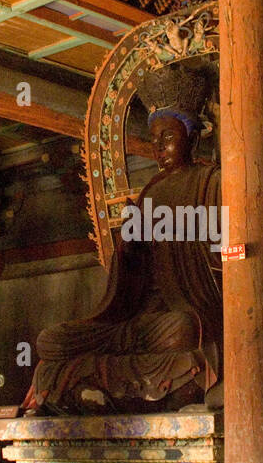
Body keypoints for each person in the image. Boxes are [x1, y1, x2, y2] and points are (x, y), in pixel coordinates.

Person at [25, 63, 222, 413]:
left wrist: (173, 235)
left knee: (182, 331)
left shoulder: (210, 182)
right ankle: (105, 386)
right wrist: (129, 249)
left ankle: (92, 388)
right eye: (154, 141)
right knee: (51, 342)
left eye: (169, 137)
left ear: (191, 138)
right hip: (137, 322)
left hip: (183, 312)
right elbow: (130, 279)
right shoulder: (150, 192)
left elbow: (222, 254)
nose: (160, 148)